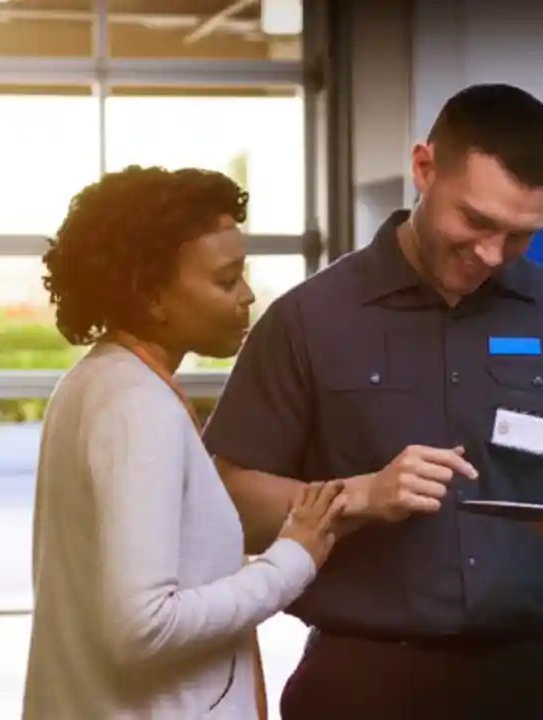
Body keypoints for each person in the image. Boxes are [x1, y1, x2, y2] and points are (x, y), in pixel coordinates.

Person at [203, 83, 543, 720]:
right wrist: (361, 496)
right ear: (423, 168)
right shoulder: (309, 319)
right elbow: (226, 502)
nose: (491, 254)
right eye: (476, 221)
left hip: (525, 681)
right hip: (361, 683)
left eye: (520, 235)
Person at [22, 165, 346, 720]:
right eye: (225, 281)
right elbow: (144, 627)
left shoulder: (94, 383)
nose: (246, 296)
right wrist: (292, 560)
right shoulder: (136, 405)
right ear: (151, 297)